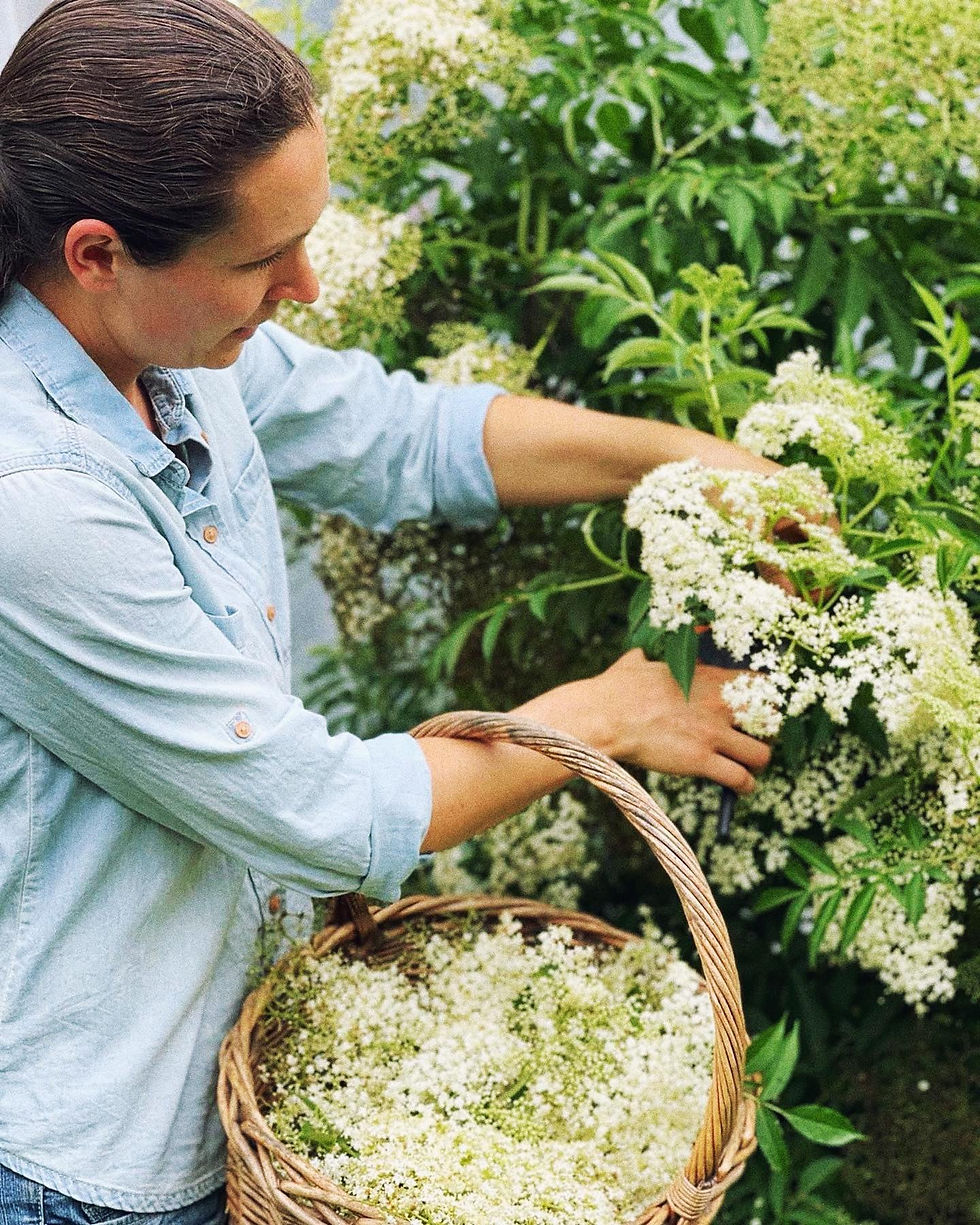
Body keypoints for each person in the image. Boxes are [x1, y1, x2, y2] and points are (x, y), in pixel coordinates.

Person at [0, 2, 776, 1223]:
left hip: (232, 1066)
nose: (305, 287)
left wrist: (678, 461)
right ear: (97, 253)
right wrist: (610, 713)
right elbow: (317, 811)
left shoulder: (162, 338)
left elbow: (397, 434)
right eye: (266, 259)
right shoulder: (33, 501)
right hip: (91, 1153)